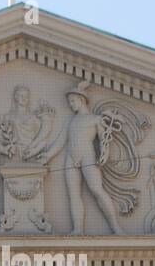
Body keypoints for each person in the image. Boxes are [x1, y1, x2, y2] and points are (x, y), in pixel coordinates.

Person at [45, 82, 123, 234]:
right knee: (73, 194)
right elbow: (61, 141)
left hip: (88, 156)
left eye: (73, 101)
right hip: (70, 158)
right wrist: (47, 155)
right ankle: (78, 229)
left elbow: (103, 141)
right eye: (69, 102)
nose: (71, 104)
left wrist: (104, 154)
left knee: (96, 189)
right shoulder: (70, 121)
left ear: (81, 100)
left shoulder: (95, 119)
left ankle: (115, 226)